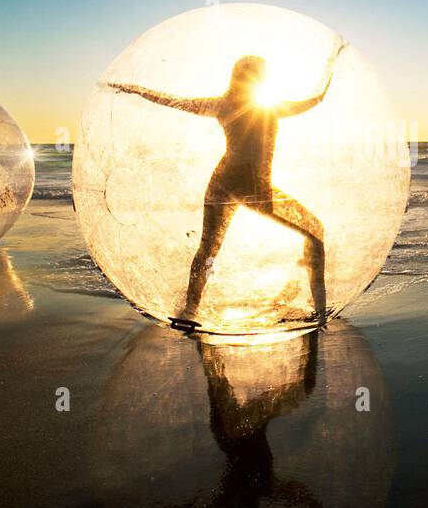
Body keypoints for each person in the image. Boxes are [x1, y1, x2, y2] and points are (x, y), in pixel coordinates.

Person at [110, 44, 344, 330]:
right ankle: (318, 311)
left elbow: (316, 99)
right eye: (260, 73)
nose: (263, 78)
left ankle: (190, 312)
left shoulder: (233, 105)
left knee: (210, 248)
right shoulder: (255, 106)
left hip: (229, 183)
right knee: (311, 232)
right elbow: (173, 101)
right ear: (249, 77)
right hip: (248, 186)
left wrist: (333, 58)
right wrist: (133, 89)